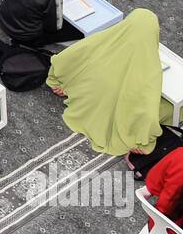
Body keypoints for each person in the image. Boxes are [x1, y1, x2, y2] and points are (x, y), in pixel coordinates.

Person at [45, 8, 164, 156]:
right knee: (166, 108)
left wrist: (61, 81)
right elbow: (148, 110)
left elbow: (72, 55)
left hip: (87, 95)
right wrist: (142, 139)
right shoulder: (150, 70)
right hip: (118, 110)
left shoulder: (103, 40)